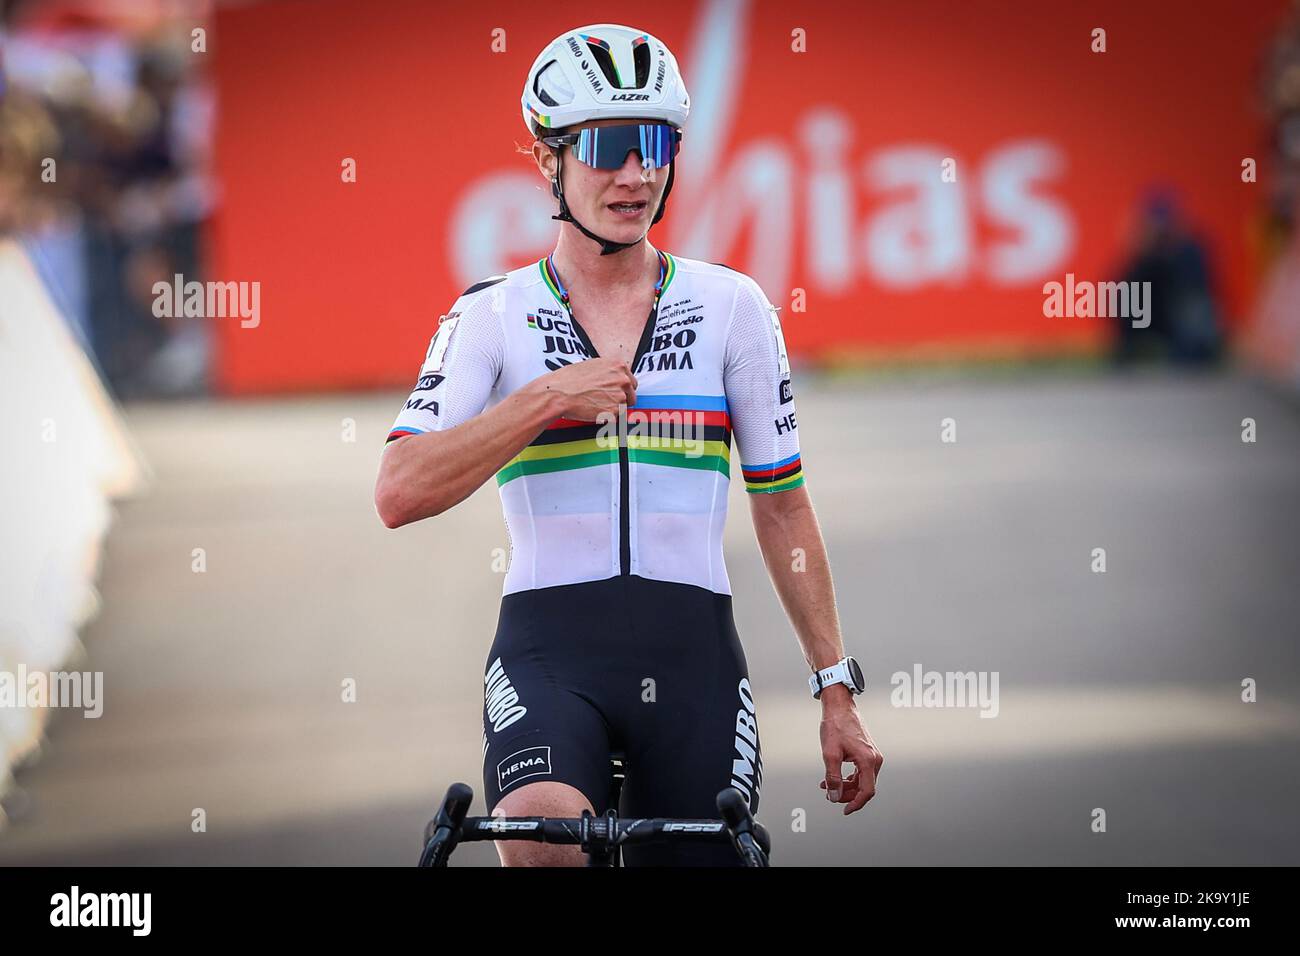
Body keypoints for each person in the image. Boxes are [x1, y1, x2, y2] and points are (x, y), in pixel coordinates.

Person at [375, 23, 882, 866]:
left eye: (656, 144)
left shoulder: (734, 308)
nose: (638, 174)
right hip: (550, 653)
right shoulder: (490, 316)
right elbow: (399, 490)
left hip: (693, 657)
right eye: (610, 146)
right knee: (540, 837)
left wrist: (837, 691)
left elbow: (784, 506)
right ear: (548, 158)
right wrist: (542, 399)